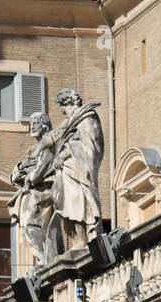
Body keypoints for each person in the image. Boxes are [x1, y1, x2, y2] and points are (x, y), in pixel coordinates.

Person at [49, 88, 104, 251]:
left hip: (79, 170)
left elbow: (90, 145)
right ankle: (78, 240)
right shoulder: (73, 120)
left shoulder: (87, 117)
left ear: (68, 103)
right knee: (68, 205)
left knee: (79, 203)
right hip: (67, 171)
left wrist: (65, 153)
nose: (64, 113)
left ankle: (84, 239)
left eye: (63, 109)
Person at [9, 112, 62, 269]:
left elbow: (42, 168)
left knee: (33, 225)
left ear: (45, 125)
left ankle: (46, 259)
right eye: (31, 123)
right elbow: (14, 176)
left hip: (44, 191)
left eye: (36, 122)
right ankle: (43, 259)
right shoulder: (33, 150)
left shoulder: (50, 143)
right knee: (28, 225)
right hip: (33, 192)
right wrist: (21, 169)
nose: (32, 126)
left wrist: (29, 175)